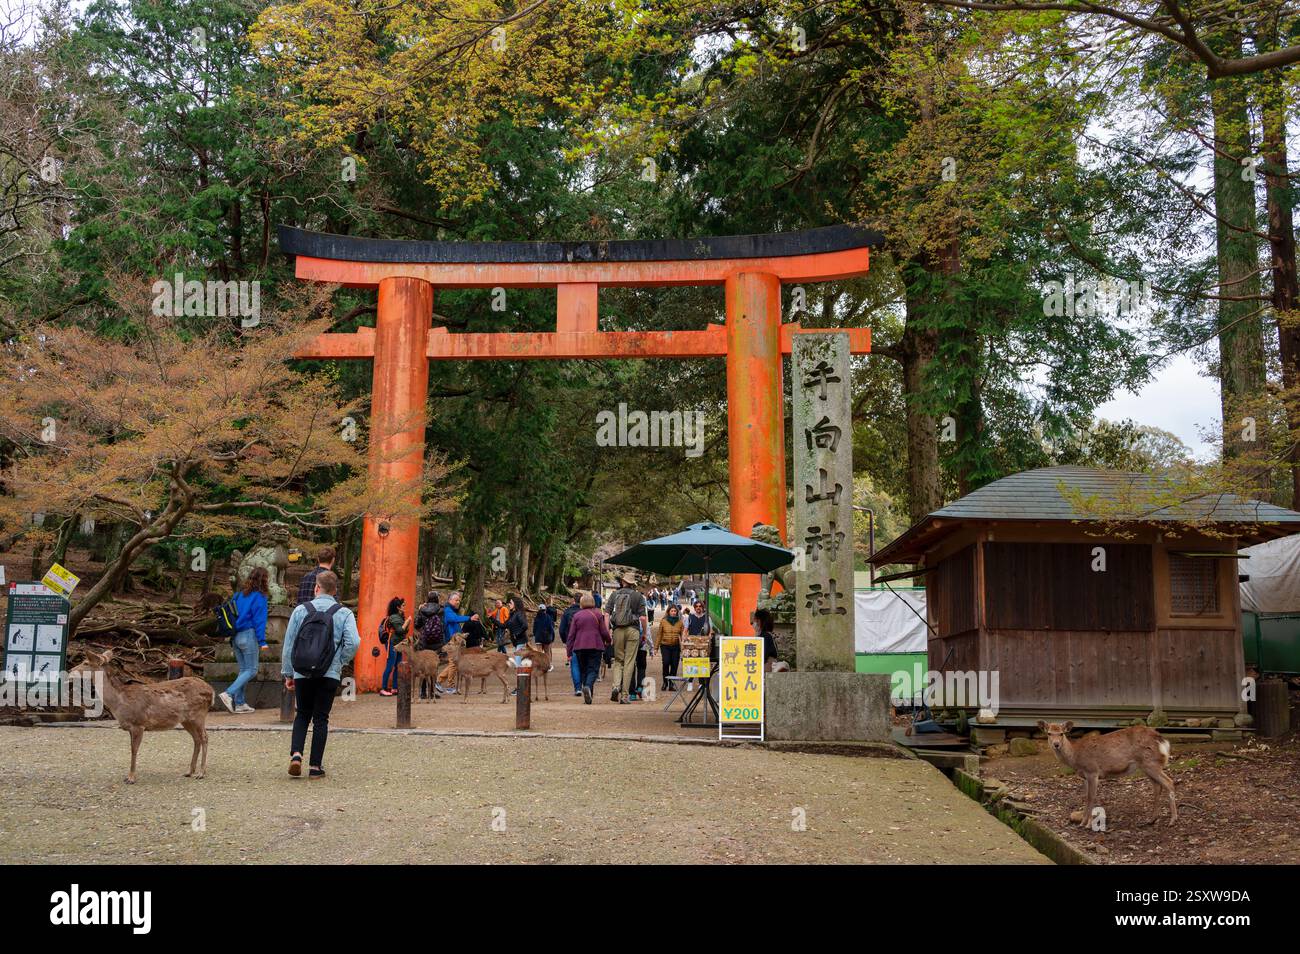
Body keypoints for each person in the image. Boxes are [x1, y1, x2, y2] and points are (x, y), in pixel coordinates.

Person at [281, 570, 360, 779]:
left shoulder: (300, 610)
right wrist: (340, 661)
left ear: (317, 588)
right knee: (321, 718)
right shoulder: (344, 613)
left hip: (302, 671)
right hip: (329, 672)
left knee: (302, 714)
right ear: (335, 591)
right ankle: (315, 766)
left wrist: (288, 672)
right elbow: (354, 642)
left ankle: (296, 754)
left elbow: (289, 644)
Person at [219, 566, 270, 714]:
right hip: (248, 635)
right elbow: (259, 620)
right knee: (252, 670)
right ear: (264, 580)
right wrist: (262, 641)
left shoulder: (239, 595)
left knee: (244, 670)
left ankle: (240, 703)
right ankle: (229, 693)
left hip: (235, 636)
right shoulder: (260, 597)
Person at [605, 576, 648, 704]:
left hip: (618, 630)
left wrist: (608, 631)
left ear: (623, 582)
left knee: (618, 661)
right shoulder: (638, 596)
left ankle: (616, 686)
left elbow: (606, 614)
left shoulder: (614, 595)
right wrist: (644, 633)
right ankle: (624, 695)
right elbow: (643, 618)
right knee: (629, 662)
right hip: (633, 631)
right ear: (632, 584)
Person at [567, 592, 611, 704]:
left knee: (584, 670)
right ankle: (587, 687)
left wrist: (569, 652)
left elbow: (571, 635)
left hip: (579, 646)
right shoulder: (597, 614)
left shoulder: (577, 616)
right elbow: (603, 630)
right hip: (595, 645)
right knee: (593, 670)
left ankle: (588, 695)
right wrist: (608, 640)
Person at [414, 591, 443, 698]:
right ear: (437, 599)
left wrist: (420, 610)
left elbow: (417, 625)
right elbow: (442, 625)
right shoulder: (441, 610)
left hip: (424, 642)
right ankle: (432, 692)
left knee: (424, 667)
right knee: (434, 667)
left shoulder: (422, 610)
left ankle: (422, 692)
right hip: (437, 642)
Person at [379, 596, 409, 697]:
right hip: (392, 643)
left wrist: (406, 623)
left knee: (398, 665)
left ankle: (395, 688)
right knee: (390, 665)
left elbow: (404, 631)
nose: (405, 607)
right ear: (398, 607)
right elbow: (400, 630)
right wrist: (408, 622)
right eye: (403, 605)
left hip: (399, 643)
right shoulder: (394, 617)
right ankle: (383, 688)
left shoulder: (400, 616)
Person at [655, 603, 684, 690]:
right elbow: (659, 634)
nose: (673, 612)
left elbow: (683, 635)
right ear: (668, 612)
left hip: (676, 647)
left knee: (674, 665)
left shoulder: (680, 622)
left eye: (675, 611)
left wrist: (684, 647)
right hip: (665, 646)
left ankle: (671, 684)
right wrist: (656, 648)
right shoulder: (663, 621)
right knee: (666, 663)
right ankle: (665, 682)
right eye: (672, 611)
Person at [559, 596, 583, 696]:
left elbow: (561, 629)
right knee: (584, 664)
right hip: (584, 641)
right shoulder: (585, 612)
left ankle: (578, 688)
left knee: (575, 664)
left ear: (573, 601)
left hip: (572, 641)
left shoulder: (567, 612)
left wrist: (566, 640)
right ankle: (586, 685)